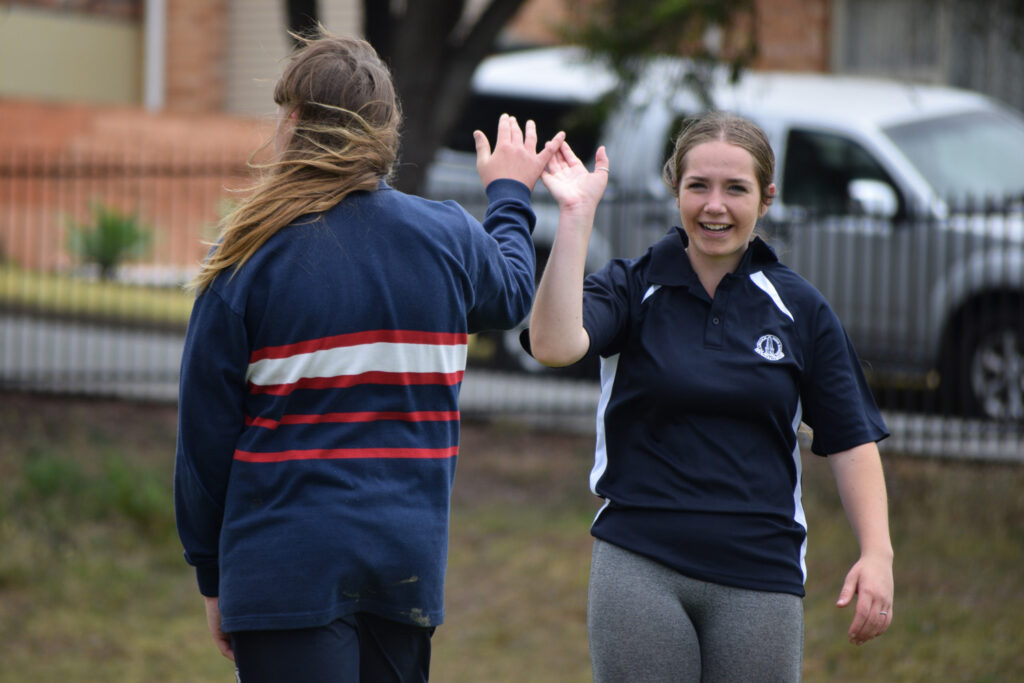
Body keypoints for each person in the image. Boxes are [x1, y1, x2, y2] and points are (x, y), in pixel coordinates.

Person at [174, 31, 564, 682]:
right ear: (388, 129)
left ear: (293, 124)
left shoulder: (246, 258)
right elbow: (513, 292)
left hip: (279, 571)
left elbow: (203, 443)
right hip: (404, 562)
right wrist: (509, 193)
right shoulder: (449, 239)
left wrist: (212, 575)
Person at [528, 111, 894, 682]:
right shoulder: (632, 285)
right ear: (676, 188)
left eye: (735, 189)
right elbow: (552, 344)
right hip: (640, 560)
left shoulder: (800, 308)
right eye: (698, 186)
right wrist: (575, 216)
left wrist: (878, 555)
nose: (714, 206)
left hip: (760, 570)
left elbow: (850, 439)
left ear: (766, 198)